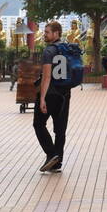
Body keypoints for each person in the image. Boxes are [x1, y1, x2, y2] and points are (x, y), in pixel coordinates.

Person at [34, 20, 74, 172]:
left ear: (56, 33)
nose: (44, 35)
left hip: (51, 93)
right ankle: (57, 163)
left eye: (47, 32)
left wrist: (42, 98)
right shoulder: (68, 49)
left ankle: (51, 154)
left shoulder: (49, 51)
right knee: (60, 129)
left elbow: (46, 77)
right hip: (65, 93)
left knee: (38, 123)